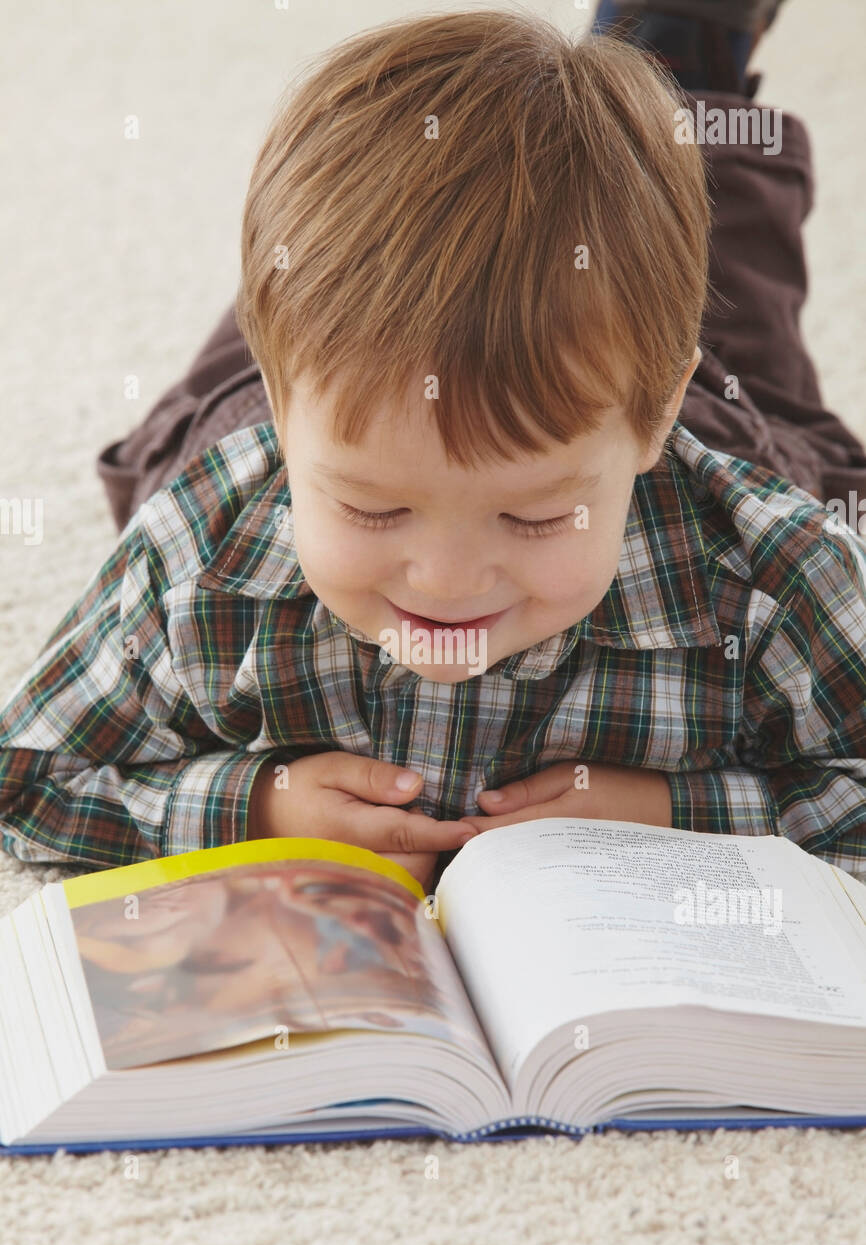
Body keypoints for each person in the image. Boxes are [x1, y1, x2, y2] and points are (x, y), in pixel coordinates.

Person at [1, 6, 865, 895]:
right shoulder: (198, 551)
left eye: (533, 515)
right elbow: (26, 781)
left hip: (715, 426)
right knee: (322, 297)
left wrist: (680, 816)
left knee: (741, 324)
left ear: (653, 423)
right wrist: (260, 807)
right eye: (372, 508)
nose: (447, 581)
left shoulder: (772, 570)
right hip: (266, 412)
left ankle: (681, 42)